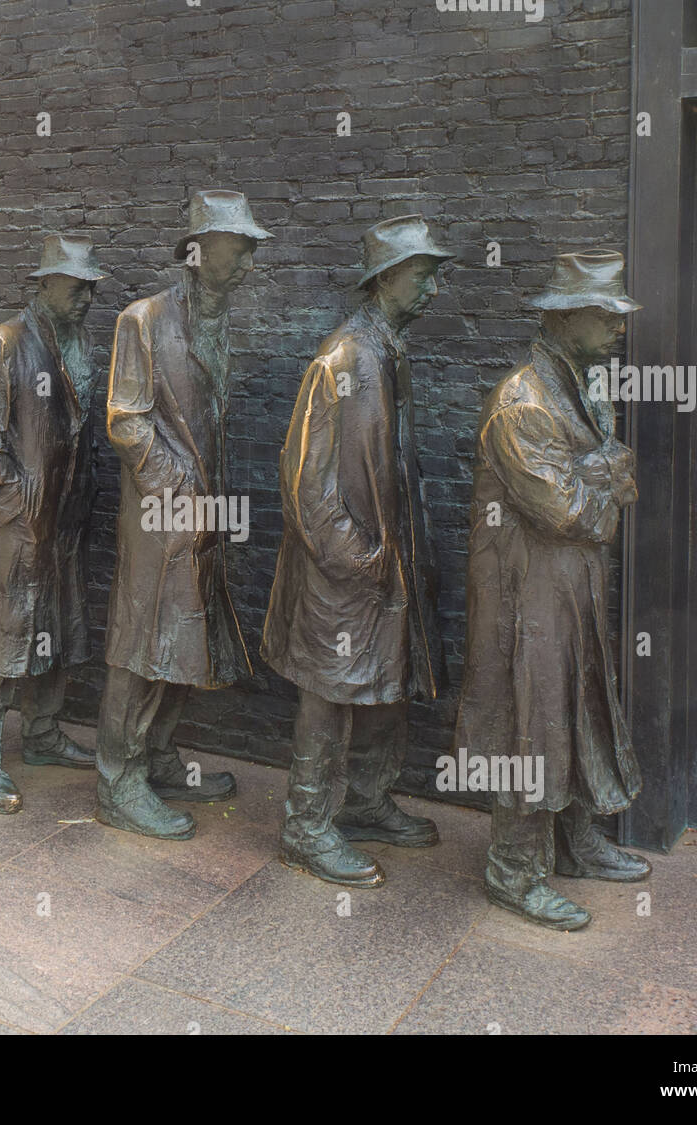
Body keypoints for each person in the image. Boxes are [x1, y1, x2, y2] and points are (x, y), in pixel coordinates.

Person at [454, 249, 652, 931]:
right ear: (567, 319)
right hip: (525, 596)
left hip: (570, 588)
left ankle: (575, 840)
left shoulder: (582, 385)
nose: (619, 329)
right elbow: (565, 510)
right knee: (529, 721)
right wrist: (608, 478)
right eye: (607, 316)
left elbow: (591, 489)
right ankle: (514, 868)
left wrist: (599, 473)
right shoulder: (522, 402)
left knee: (577, 705)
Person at [262, 216, 452, 888]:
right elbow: (305, 482)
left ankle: (367, 801)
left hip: (385, 565)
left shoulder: (390, 350)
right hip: (342, 572)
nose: (432, 288)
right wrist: (360, 558)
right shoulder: (344, 360)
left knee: (385, 688)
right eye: (422, 275)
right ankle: (306, 826)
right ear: (386, 278)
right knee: (329, 696)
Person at [95, 189, 270, 840]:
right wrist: (180, 488)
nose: (248, 261)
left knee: (186, 643)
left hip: (204, 512)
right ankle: (117, 779)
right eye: (239, 247)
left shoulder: (221, 322)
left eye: (251, 248)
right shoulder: (143, 320)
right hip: (159, 516)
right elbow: (127, 421)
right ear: (200, 252)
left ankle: (157, 756)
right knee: (142, 645)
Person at [0, 235, 107, 813]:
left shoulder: (81, 342)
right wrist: (19, 506)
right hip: (17, 523)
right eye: (75, 286)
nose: (85, 297)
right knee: (4, 630)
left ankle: (43, 732)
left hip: (66, 516)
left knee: (59, 625)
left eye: (90, 288)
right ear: (43, 284)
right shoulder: (3, 343)